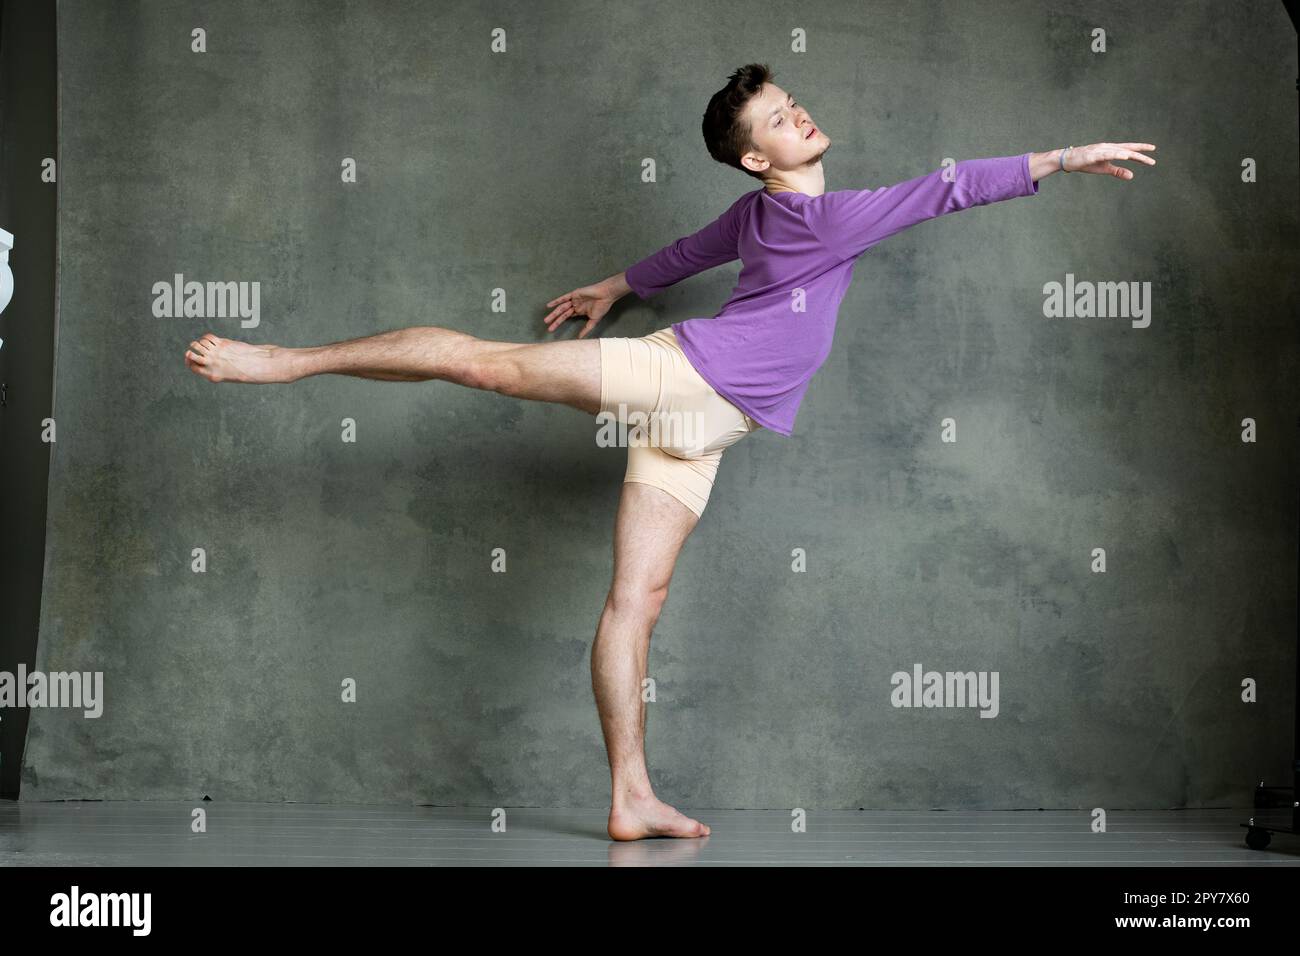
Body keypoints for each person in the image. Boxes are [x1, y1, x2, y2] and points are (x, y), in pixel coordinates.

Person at [184, 63, 1155, 840]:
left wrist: (612, 281)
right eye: (778, 119)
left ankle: (631, 795)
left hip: (706, 430)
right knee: (484, 366)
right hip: (685, 377)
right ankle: (284, 361)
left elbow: (687, 252)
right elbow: (948, 188)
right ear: (753, 160)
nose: (798, 117)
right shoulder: (823, 215)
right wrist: (1068, 155)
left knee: (635, 602)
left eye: (792, 105)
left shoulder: (768, 211)